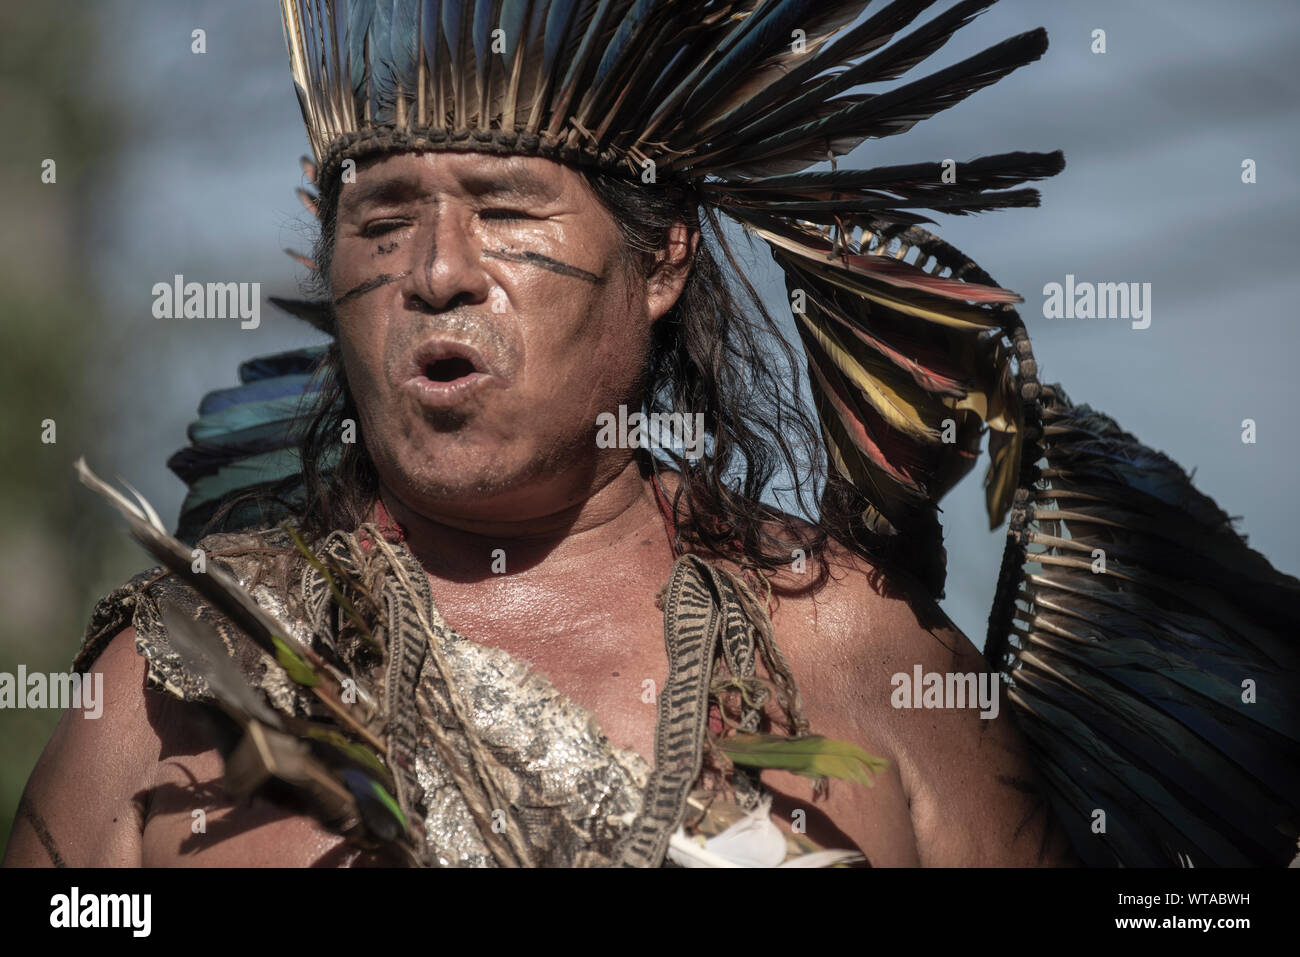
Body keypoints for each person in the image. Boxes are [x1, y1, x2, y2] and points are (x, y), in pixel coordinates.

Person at [8, 1, 1294, 869]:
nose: (437, 272)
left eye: (507, 211)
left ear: (662, 257)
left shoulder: (860, 654)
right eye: (383, 221)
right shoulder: (176, 683)